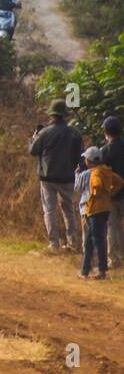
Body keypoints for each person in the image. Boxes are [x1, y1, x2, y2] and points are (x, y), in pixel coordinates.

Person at [30, 100, 84, 252]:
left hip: (48, 178)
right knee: (68, 209)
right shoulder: (74, 133)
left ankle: (54, 245)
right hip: (67, 177)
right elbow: (81, 156)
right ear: (64, 115)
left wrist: (34, 136)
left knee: (50, 210)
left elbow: (33, 151)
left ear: (52, 115)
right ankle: (73, 243)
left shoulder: (44, 133)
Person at [76, 146, 124, 278]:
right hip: (105, 208)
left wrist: (95, 194)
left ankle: (101, 271)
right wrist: (110, 193)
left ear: (89, 161)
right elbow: (120, 181)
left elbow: (96, 184)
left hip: (95, 210)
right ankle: (85, 271)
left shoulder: (95, 173)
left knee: (97, 241)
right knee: (90, 242)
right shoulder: (106, 170)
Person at [100, 115, 124, 267]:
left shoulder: (104, 151)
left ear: (106, 132)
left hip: (112, 193)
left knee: (112, 226)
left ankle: (114, 259)